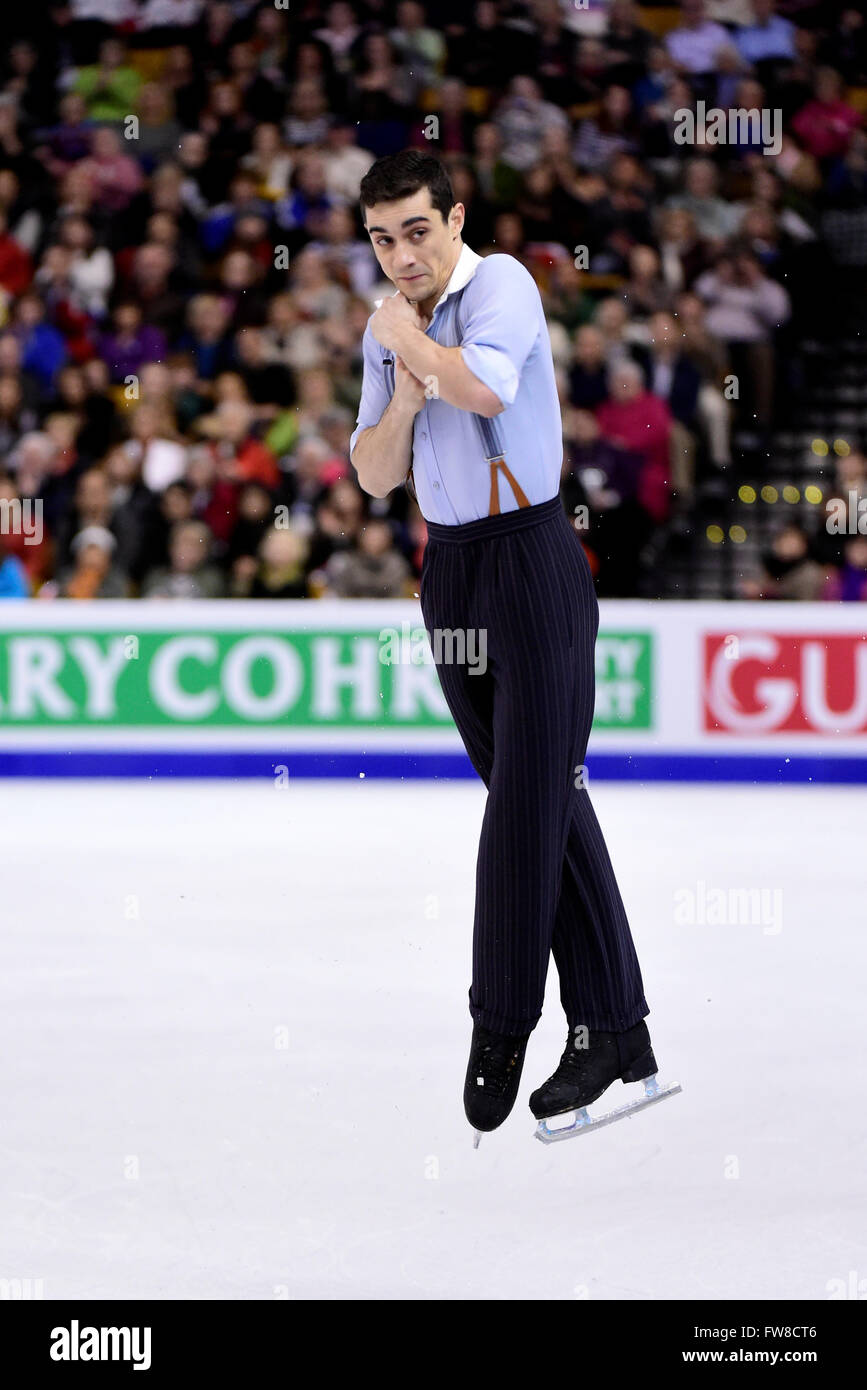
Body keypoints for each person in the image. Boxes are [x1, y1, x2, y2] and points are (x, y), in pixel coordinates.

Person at [350, 150, 658, 1141]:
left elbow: (484, 392)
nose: (400, 255)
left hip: (532, 554)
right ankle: (616, 1029)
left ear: (455, 218)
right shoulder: (385, 326)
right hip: (453, 571)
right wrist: (398, 386)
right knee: (540, 790)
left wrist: (410, 343)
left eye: (416, 231)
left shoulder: (505, 286)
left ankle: (502, 1018)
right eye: (382, 239)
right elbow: (372, 473)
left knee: (528, 797)